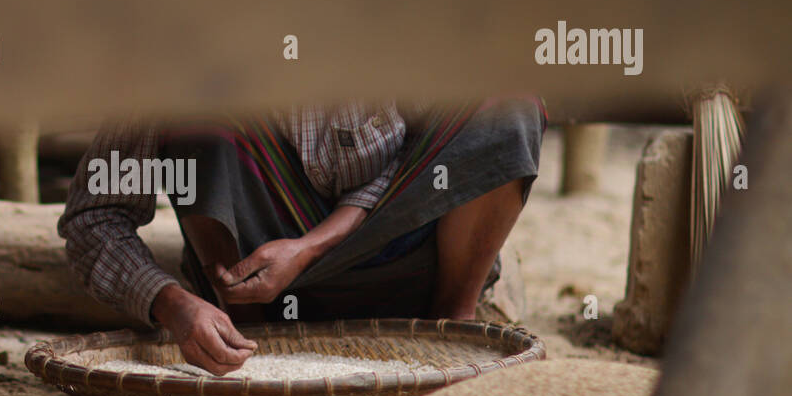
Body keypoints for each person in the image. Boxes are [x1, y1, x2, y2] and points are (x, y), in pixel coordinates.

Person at [58, 98, 545, 375]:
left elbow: (428, 156)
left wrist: (315, 244)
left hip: (408, 266)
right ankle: (247, 348)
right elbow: (92, 219)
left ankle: (450, 325)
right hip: (256, 304)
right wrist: (173, 305)